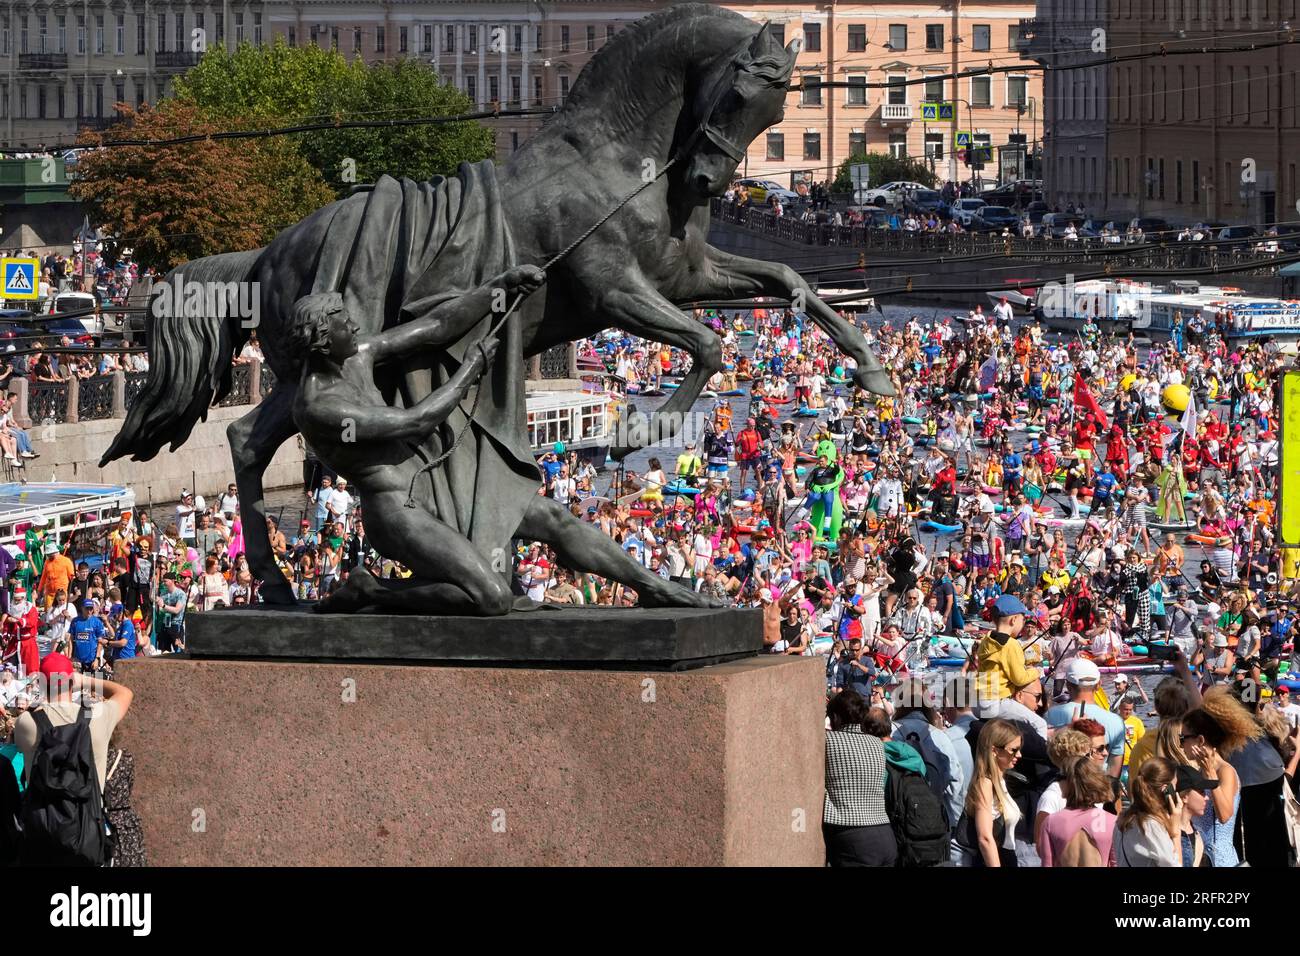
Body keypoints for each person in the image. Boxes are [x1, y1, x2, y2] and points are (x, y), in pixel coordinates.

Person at [13, 652, 134, 806]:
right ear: (72, 681)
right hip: (87, 821)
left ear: (42, 684)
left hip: (42, 822)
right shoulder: (97, 717)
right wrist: (85, 680)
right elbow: (125, 693)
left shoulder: (26, 722)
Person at [822, 691, 897, 866]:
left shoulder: (827, 740)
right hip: (885, 834)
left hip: (852, 837)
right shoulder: (877, 744)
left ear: (835, 716)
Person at [1181, 688, 1249, 866]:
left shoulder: (1225, 771)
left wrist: (1211, 777)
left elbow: (1225, 815)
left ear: (1200, 740)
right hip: (1201, 857)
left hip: (1220, 860)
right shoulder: (1199, 770)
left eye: (1184, 739)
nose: (1181, 745)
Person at [892, 678, 966, 828]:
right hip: (933, 822)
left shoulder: (888, 732)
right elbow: (955, 782)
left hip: (896, 820)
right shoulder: (939, 737)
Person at [955, 718, 1023, 867]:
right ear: (994, 750)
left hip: (1006, 856)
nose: (1019, 755)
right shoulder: (985, 784)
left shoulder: (999, 781)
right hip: (995, 859)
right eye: (1014, 750)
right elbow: (985, 838)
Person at [1045, 658, 1125, 778]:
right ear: (1099, 685)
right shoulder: (1116, 721)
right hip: (1098, 787)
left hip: (1061, 786)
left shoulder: (1050, 714)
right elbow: (1114, 769)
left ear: (1067, 685)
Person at [1036, 752, 1116, 866]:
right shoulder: (1111, 822)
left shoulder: (1051, 822)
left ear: (1069, 783)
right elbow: (1115, 863)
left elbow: (1047, 865)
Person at [972, 594, 1039, 717]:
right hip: (994, 702)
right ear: (1013, 620)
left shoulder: (986, 639)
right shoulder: (1011, 645)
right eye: (1023, 619)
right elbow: (1019, 679)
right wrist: (1035, 671)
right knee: (1039, 724)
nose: (1023, 624)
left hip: (977, 701)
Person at [1113, 757, 1181, 866]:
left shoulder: (1123, 819)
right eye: (1175, 786)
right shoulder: (1151, 825)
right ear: (1165, 789)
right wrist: (1176, 833)